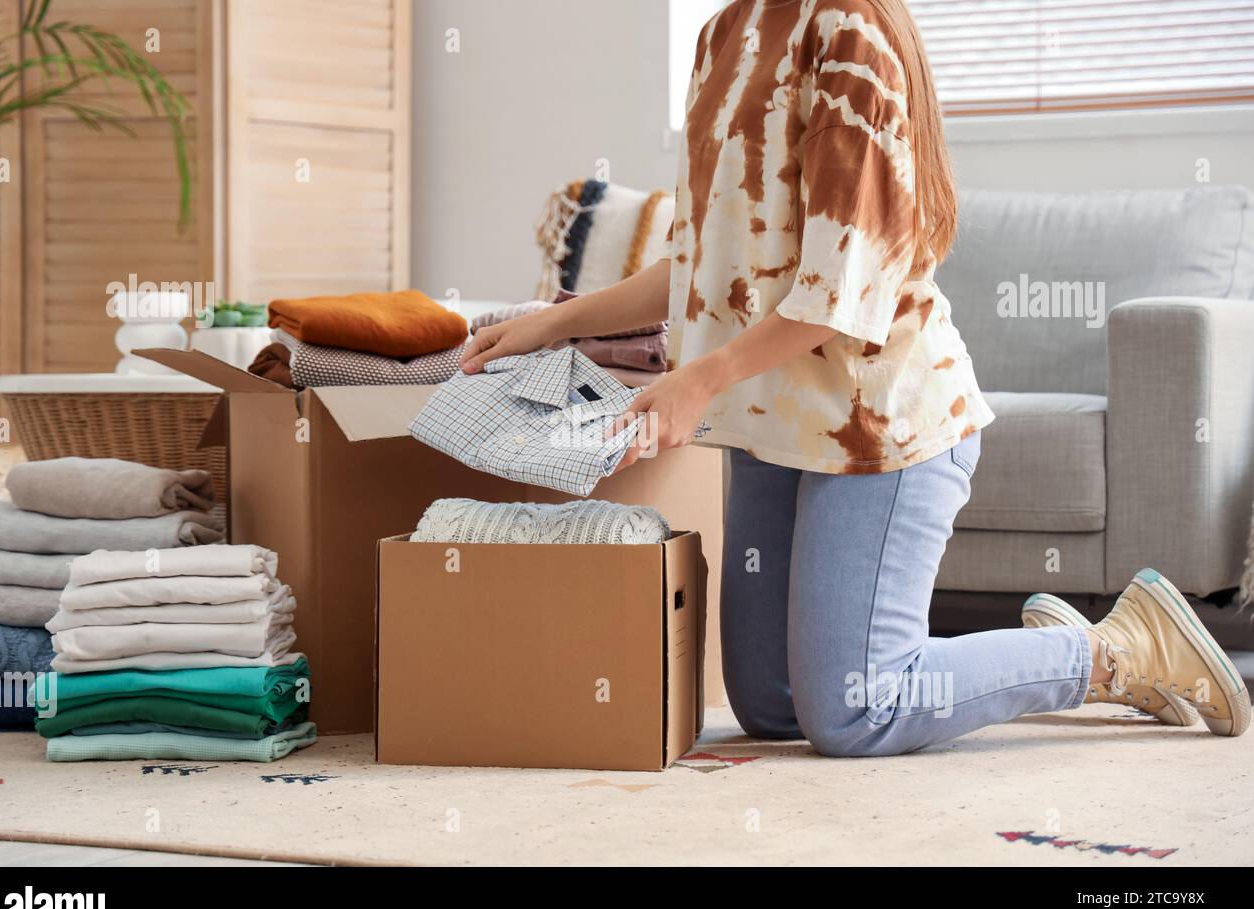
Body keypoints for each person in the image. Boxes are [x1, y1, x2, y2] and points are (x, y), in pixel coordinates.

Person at [461, 0, 1249, 754]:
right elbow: (702, 261)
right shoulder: (718, 37)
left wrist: (698, 381)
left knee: (855, 713)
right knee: (770, 706)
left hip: (881, 420)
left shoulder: (850, 28)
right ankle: (1022, 654)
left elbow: (844, 285)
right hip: (774, 426)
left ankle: (1111, 649)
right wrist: (555, 319)